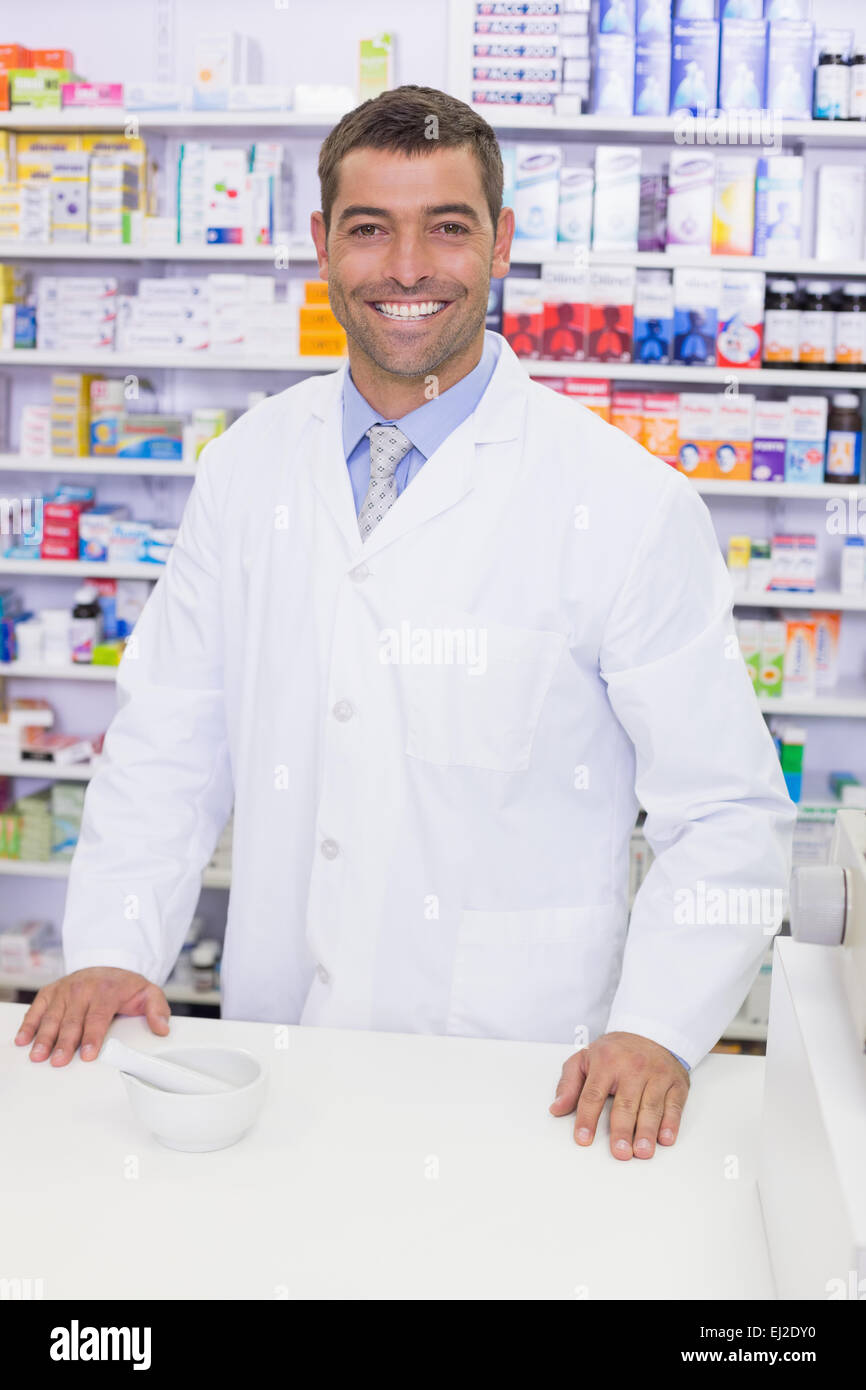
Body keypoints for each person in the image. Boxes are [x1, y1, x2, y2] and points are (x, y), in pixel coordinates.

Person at [14, 86, 796, 1162]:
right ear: (321, 245)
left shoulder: (623, 502)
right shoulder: (245, 467)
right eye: (370, 227)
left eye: (446, 225)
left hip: (520, 1084)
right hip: (269, 1062)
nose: (407, 267)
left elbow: (725, 813)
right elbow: (168, 743)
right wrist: (110, 945)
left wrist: (654, 1024)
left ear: (500, 241)